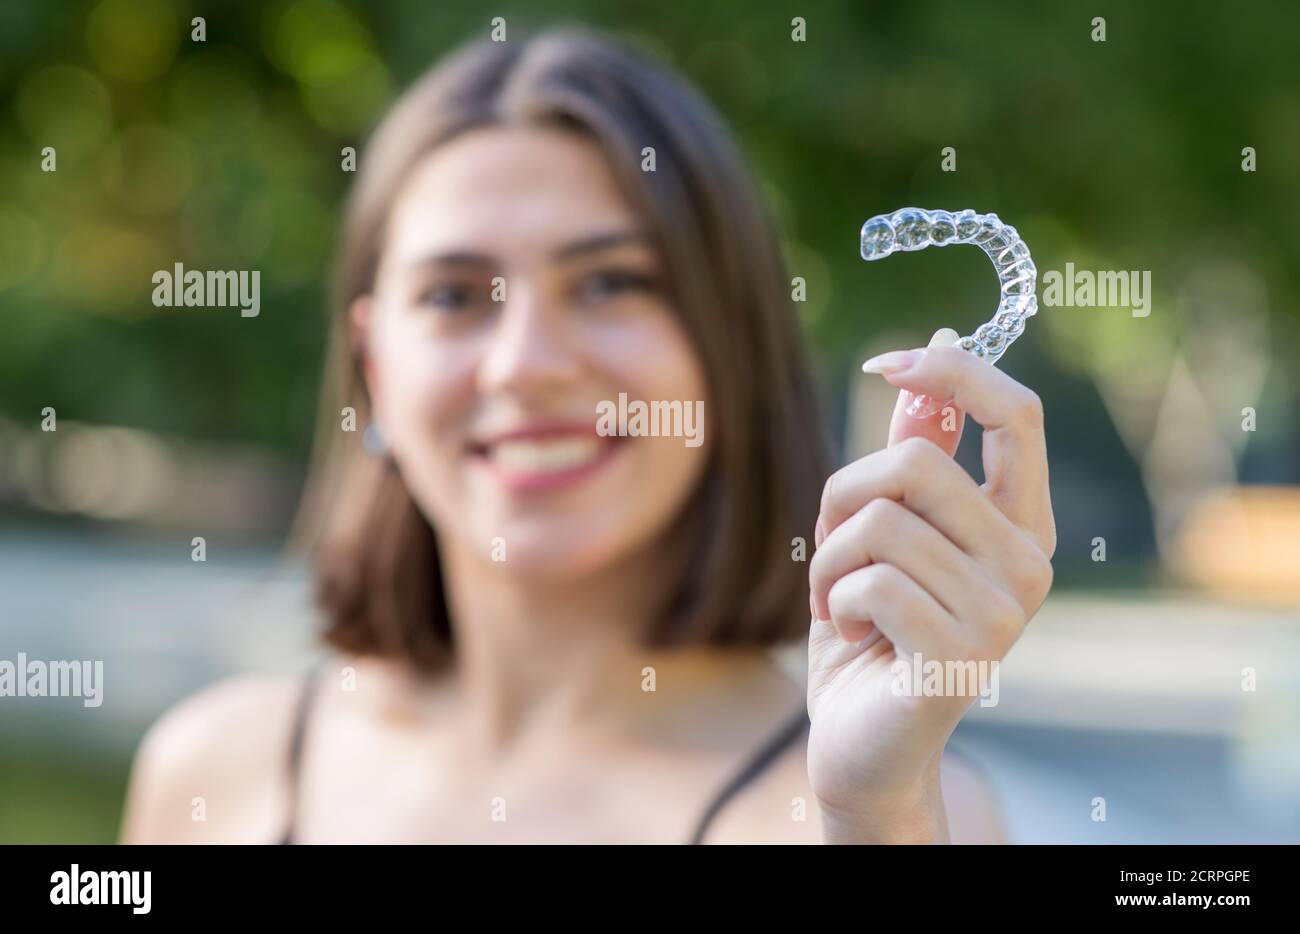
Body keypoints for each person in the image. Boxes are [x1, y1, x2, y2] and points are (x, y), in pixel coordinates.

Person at [121, 27, 1054, 844]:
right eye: (453, 296)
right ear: (375, 367)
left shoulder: (898, 812)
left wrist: (874, 820)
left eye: (611, 284)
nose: (526, 364)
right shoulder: (212, 777)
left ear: (726, 343)